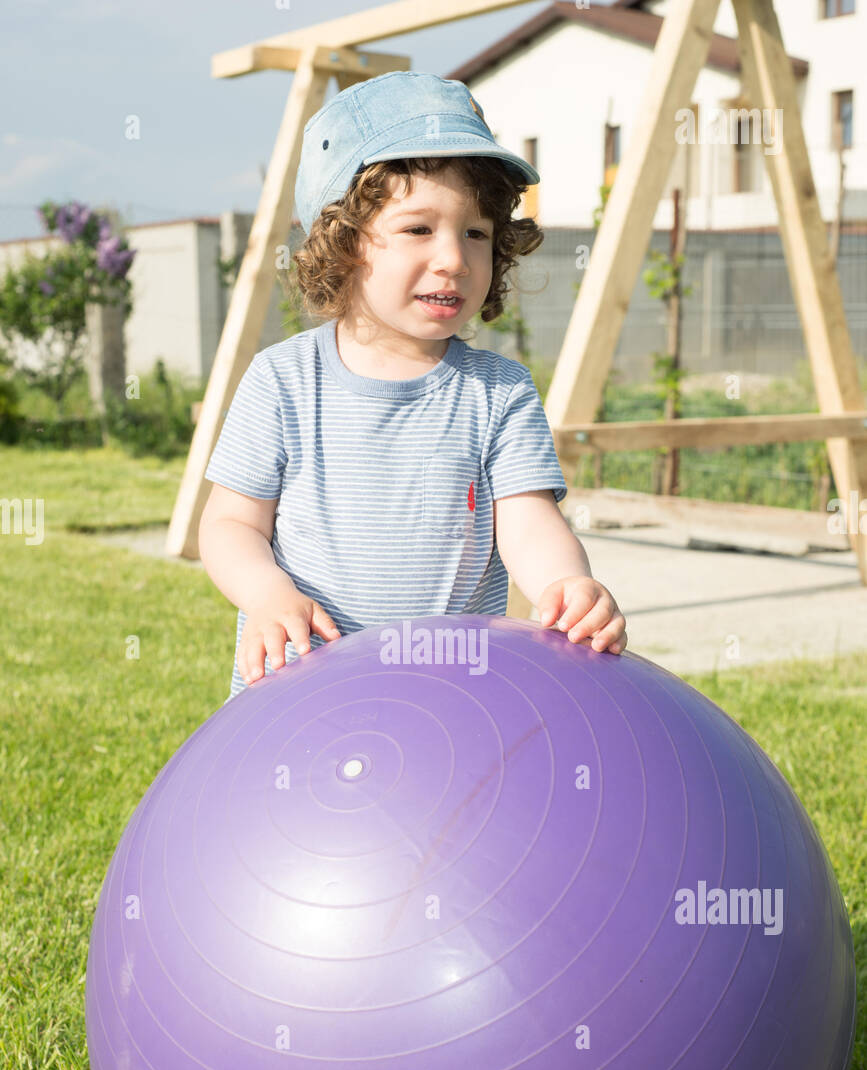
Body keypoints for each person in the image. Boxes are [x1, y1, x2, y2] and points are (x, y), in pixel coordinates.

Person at [199, 71, 627, 702]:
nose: (454, 257)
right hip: (303, 690)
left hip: (453, 695)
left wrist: (566, 582)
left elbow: (527, 518)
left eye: (476, 233)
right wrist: (267, 593)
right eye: (419, 229)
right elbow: (231, 524)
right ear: (341, 244)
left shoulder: (499, 390)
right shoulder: (283, 382)